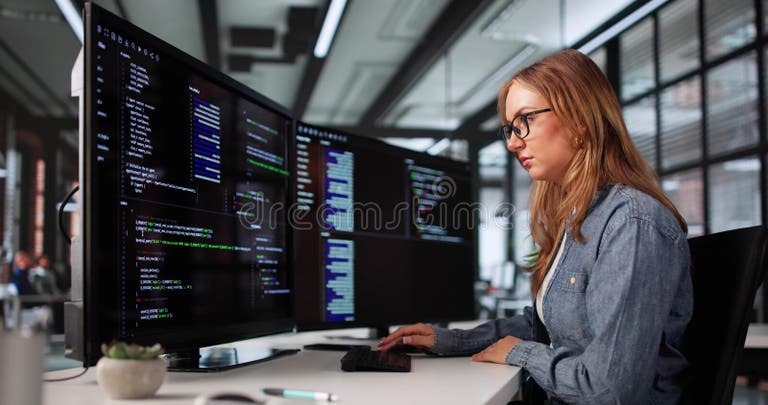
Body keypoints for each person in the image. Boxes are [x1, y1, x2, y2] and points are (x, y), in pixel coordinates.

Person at [379, 49, 692, 404]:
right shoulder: (581, 216)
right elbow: (548, 323)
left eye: (525, 119)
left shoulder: (631, 223)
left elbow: (607, 388)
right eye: (510, 128)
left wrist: (522, 353)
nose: (513, 142)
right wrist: (452, 340)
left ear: (580, 119)